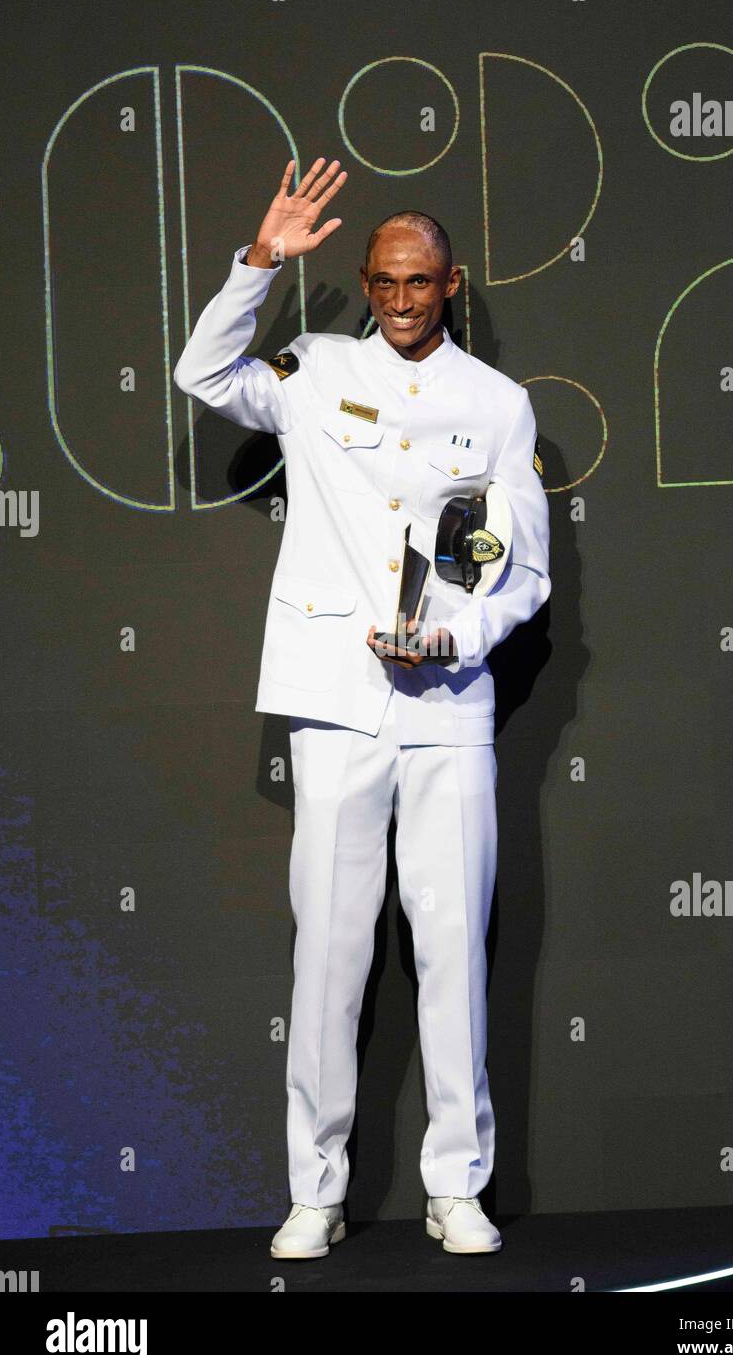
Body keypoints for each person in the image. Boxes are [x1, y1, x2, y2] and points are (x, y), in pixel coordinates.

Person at [173, 156, 551, 1259]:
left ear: (451, 283)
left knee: (452, 953)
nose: (397, 300)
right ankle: (314, 1190)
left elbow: (523, 575)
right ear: (364, 282)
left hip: (447, 703)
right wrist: (256, 263)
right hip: (333, 703)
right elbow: (201, 374)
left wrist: (459, 635)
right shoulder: (310, 367)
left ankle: (456, 1186)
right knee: (329, 955)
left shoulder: (497, 403)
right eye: (381, 282)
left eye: (417, 283)